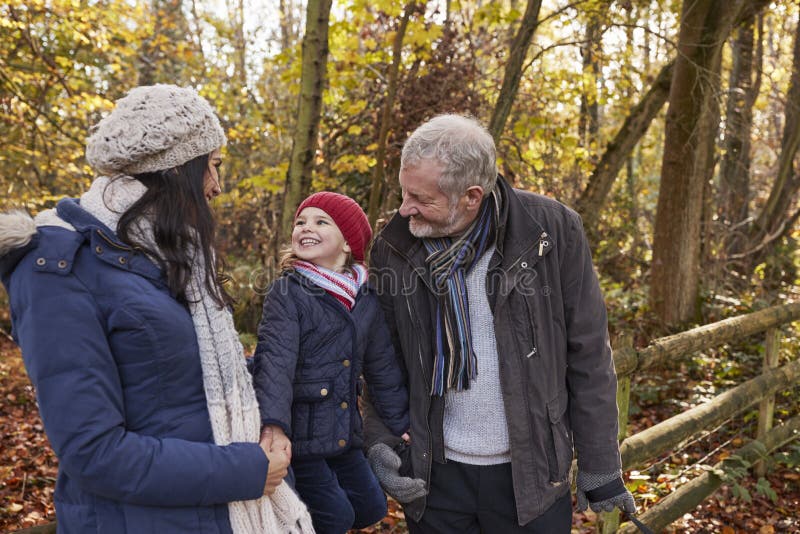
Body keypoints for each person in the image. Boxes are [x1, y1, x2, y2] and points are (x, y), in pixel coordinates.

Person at [0, 84, 314, 534]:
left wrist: (270, 425)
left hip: (220, 516)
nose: (217, 187)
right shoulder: (58, 268)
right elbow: (95, 452)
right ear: (174, 169)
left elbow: (183, 382)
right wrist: (244, 471)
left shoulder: (171, 256)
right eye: (212, 167)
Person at [363, 114, 636, 532]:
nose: (404, 208)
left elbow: (589, 354)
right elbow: (382, 359)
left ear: (472, 196)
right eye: (404, 191)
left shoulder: (553, 233)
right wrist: (380, 440)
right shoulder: (394, 248)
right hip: (436, 481)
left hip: (532, 478)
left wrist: (600, 464)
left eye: (420, 198)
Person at [252, 191, 411, 534]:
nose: (306, 228)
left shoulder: (365, 296)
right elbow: (274, 361)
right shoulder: (288, 292)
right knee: (334, 516)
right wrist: (273, 425)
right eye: (301, 222)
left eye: (321, 221)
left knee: (371, 505)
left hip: (343, 431)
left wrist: (400, 421)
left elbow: (381, 366)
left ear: (348, 244)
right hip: (301, 435)